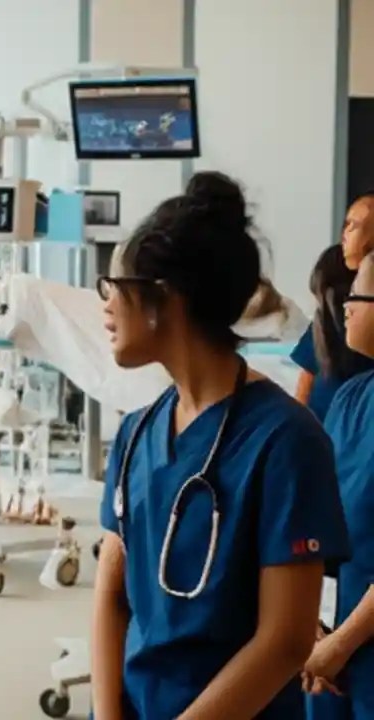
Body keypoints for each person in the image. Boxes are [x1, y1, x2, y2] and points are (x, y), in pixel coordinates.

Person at [90, 172, 349, 719]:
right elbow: (111, 598)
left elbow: (285, 639)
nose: (105, 305)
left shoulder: (285, 441)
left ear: (164, 299)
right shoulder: (137, 434)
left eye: (115, 286)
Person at [302, 250, 374, 716]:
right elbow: (315, 522)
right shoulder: (350, 399)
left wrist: (341, 645)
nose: (345, 304)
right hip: (332, 652)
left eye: (360, 293)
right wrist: (309, 626)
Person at [295, 195, 374, 417]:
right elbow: (306, 381)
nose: (345, 233)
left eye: (354, 225)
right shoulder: (332, 300)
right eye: (345, 224)